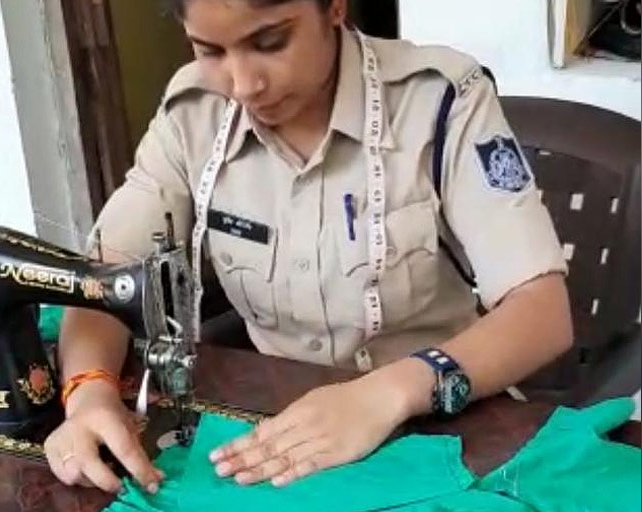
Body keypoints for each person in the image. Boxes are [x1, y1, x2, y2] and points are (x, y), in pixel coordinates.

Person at [43, 0, 572, 495]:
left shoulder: (439, 101)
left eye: (271, 41)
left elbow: (542, 313)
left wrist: (388, 393)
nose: (245, 83)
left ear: (335, 6)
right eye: (211, 51)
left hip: (449, 423)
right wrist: (89, 392)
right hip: (284, 431)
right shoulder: (194, 116)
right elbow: (105, 279)